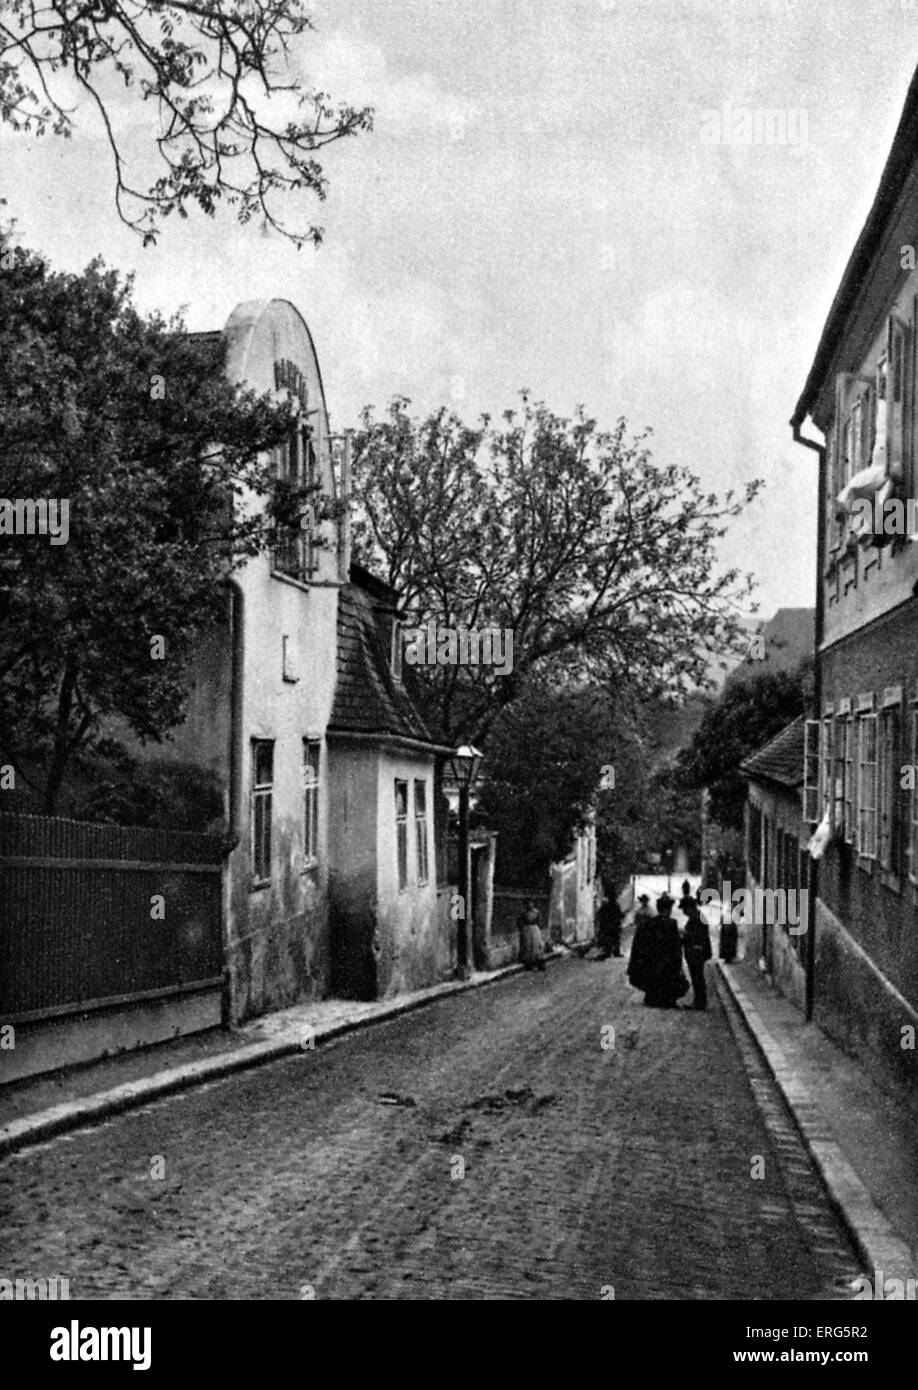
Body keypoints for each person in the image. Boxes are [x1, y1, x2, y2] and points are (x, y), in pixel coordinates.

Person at [627, 892, 688, 1008]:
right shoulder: (671, 924)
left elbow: (639, 945)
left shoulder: (648, 923)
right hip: (667, 965)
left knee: (654, 983)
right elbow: (676, 948)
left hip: (652, 964)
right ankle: (666, 998)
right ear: (669, 909)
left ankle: (653, 997)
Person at [682, 898, 713, 1011]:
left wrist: (685, 935)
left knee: (697, 977)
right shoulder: (697, 917)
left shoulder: (697, 918)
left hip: (696, 953)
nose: (683, 911)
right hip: (696, 953)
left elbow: (698, 937)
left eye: (684, 908)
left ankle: (700, 1002)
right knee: (697, 977)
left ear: (690, 907)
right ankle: (699, 1001)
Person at [594, 884, 623, 959]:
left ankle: (610, 951)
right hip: (613, 925)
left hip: (608, 926)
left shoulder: (607, 905)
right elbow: (619, 915)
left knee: (611, 939)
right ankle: (613, 952)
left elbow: (600, 914)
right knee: (615, 938)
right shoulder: (615, 905)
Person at [517, 899, 546, 971]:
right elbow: (519, 922)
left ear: (533, 904)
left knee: (537, 945)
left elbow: (539, 921)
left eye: (531, 903)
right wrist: (522, 928)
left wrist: (538, 928)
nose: (530, 905)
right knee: (528, 946)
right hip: (526, 929)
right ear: (526, 905)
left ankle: (539, 963)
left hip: (535, 928)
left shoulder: (536, 912)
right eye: (528, 903)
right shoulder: (523, 913)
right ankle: (530, 964)